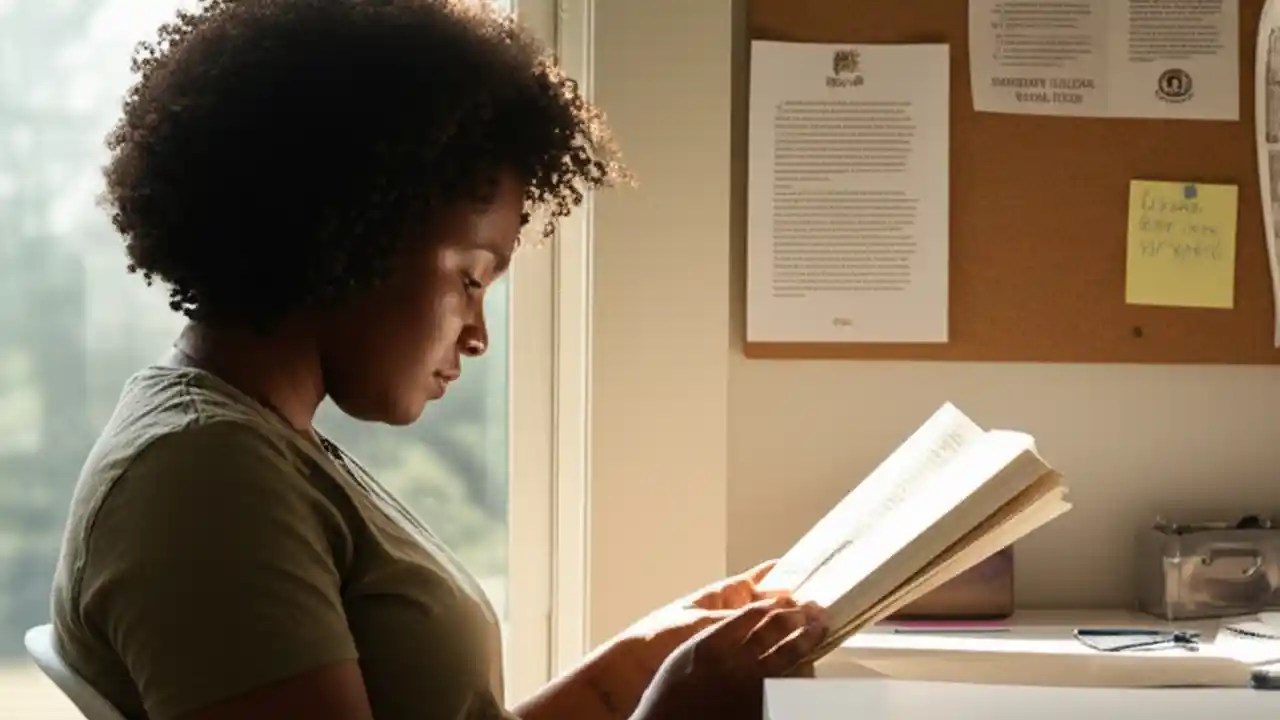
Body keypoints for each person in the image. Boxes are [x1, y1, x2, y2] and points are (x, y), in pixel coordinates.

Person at [48, 2, 829, 719]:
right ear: (355, 232)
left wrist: (646, 659)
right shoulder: (203, 478)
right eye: (471, 278)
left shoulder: (265, 446)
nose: (478, 334)